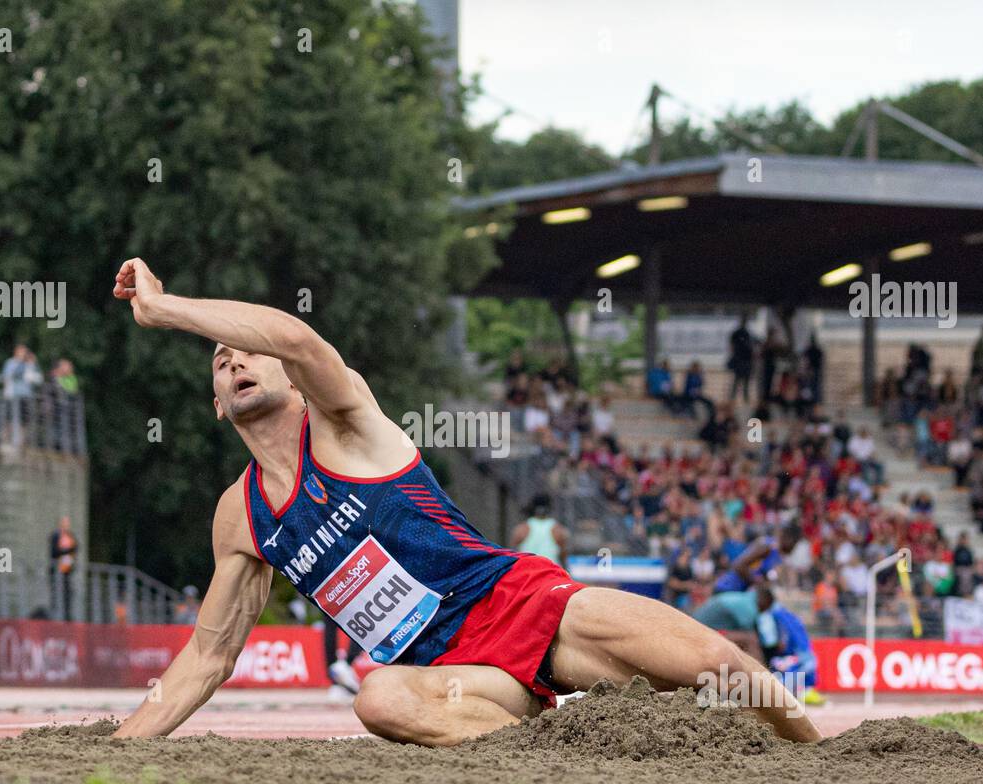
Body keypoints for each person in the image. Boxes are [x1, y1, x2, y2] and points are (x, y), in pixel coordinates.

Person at [110, 257, 820, 745]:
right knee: (377, 698)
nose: (233, 359)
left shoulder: (343, 420)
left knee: (714, 664)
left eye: (242, 350)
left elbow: (294, 335)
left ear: (292, 381)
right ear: (215, 406)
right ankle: (562, 753)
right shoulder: (241, 518)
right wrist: (120, 747)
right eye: (219, 362)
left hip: (520, 603)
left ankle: (817, 757)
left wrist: (166, 308)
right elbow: (207, 657)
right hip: (454, 677)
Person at [756, 588, 823, 705]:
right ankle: (804, 692)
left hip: (795, 659)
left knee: (777, 669)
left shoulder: (771, 616)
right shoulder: (784, 613)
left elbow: (775, 642)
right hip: (804, 656)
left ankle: (787, 693)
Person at [510, 494, 569, 566]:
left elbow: (512, 553)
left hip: (527, 572)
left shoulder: (522, 529)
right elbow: (563, 555)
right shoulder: (557, 530)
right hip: (549, 572)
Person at [49, 516, 79, 621]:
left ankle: (67, 617)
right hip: (57, 570)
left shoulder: (70, 536)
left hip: (67, 570)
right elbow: (54, 551)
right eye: (64, 523)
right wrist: (67, 550)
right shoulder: (55, 536)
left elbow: (75, 548)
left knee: (68, 594)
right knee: (56, 594)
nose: (66, 525)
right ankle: (55, 616)